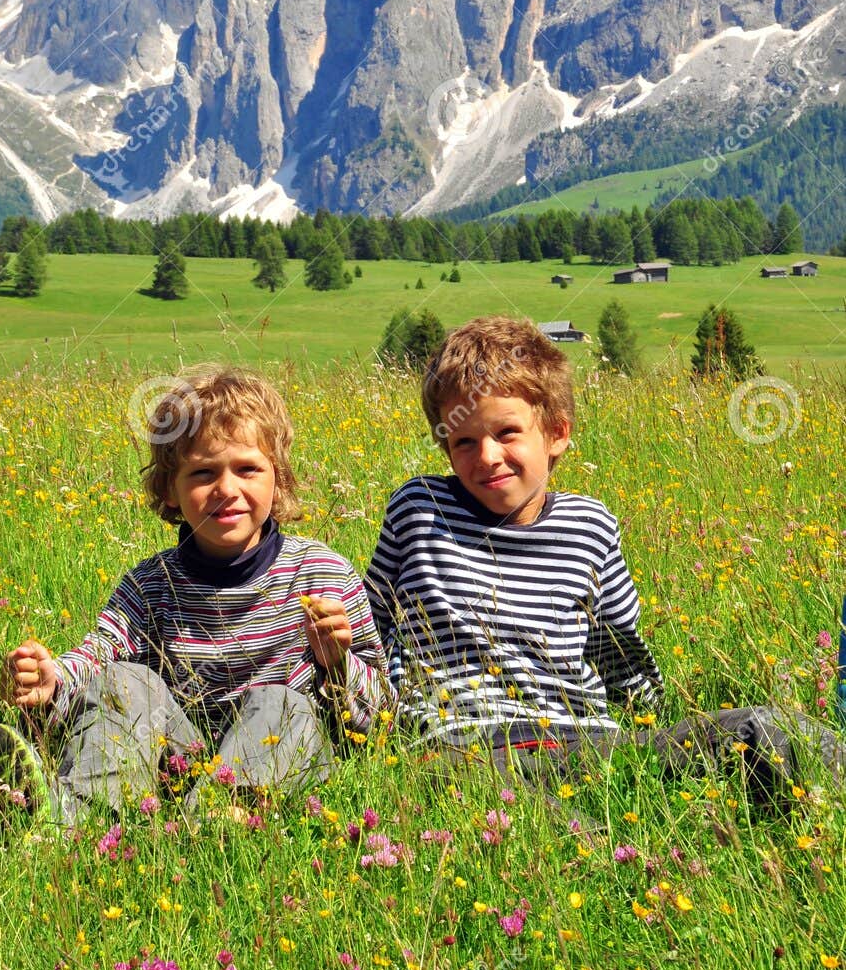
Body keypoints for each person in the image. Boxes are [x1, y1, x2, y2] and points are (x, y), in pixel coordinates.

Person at [361, 316, 844, 807]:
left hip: (587, 743)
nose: (486, 456)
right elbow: (370, 626)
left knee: (764, 728)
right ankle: (596, 845)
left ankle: (823, 809)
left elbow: (617, 647)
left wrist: (655, 723)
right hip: (463, 747)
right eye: (463, 441)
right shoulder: (420, 508)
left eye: (506, 432)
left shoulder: (590, 525)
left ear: (556, 433)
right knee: (496, 799)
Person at [0, 369, 392, 828]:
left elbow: (382, 711)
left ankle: (224, 814)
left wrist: (338, 664)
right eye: (203, 472)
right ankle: (73, 817)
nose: (226, 489)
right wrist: (52, 682)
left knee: (284, 704)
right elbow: (97, 656)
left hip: (271, 760)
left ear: (280, 479)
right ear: (170, 490)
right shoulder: (152, 585)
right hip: (178, 757)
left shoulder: (320, 573)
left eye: (248, 469)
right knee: (122, 681)